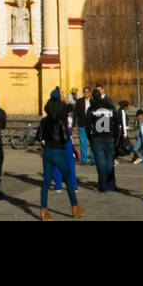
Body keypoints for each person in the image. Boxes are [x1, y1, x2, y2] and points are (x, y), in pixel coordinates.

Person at [39, 91, 84, 220]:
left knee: (46, 182)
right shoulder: (59, 122)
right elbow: (65, 139)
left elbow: (38, 136)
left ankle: (44, 211)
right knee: (69, 180)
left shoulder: (43, 121)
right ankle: (75, 208)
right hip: (59, 151)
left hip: (47, 151)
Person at [87, 87, 118, 192]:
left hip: (97, 138)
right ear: (101, 96)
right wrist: (115, 136)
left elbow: (87, 126)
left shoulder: (91, 109)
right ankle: (111, 185)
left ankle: (103, 186)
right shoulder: (110, 107)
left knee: (101, 163)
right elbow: (116, 123)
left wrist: (90, 138)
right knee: (109, 163)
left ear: (93, 98)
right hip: (109, 137)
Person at [48, 88, 78, 193]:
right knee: (70, 162)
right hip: (65, 138)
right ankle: (74, 186)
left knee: (56, 163)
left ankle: (58, 186)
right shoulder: (64, 108)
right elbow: (73, 107)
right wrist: (65, 100)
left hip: (55, 139)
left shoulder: (49, 109)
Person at [73, 87, 91, 164]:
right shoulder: (79, 101)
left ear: (90, 93)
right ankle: (83, 159)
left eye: (87, 92)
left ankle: (93, 159)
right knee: (83, 142)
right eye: (85, 92)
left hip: (91, 125)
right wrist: (74, 124)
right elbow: (75, 113)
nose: (86, 93)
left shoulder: (93, 102)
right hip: (82, 124)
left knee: (91, 143)